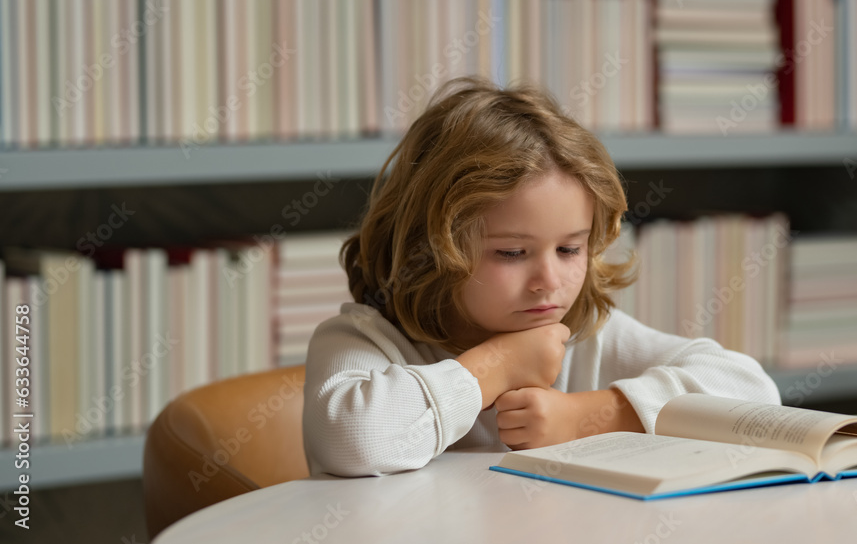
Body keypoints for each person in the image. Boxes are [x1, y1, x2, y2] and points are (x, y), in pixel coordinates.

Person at [302, 75, 781, 477]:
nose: (549, 281)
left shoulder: (588, 336)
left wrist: (591, 415)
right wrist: (496, 366)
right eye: (511, 252)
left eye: (571, 248)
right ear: (427, 248)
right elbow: (354, 439)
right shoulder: (362, 340)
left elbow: (754, 394)